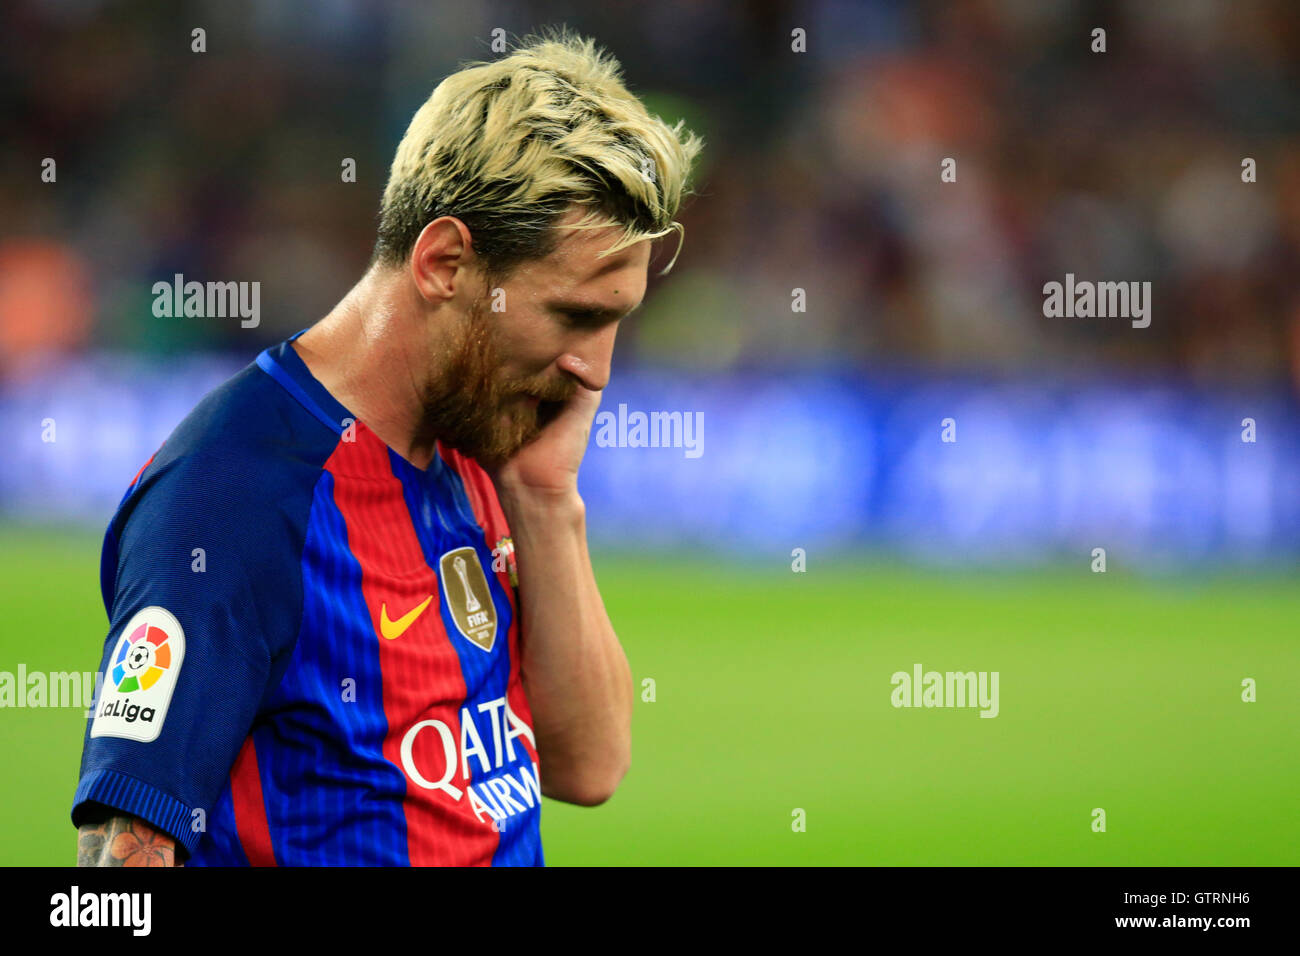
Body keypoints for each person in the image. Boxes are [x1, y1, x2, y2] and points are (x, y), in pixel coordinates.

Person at [72, 28, 702, 866]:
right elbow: (116, 870)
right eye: (577, 317)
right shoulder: (235, 498)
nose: (593, 371)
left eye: (618, 321)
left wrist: (548, 502)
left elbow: (590, 765)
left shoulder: (479, 446)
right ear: (444, 262)